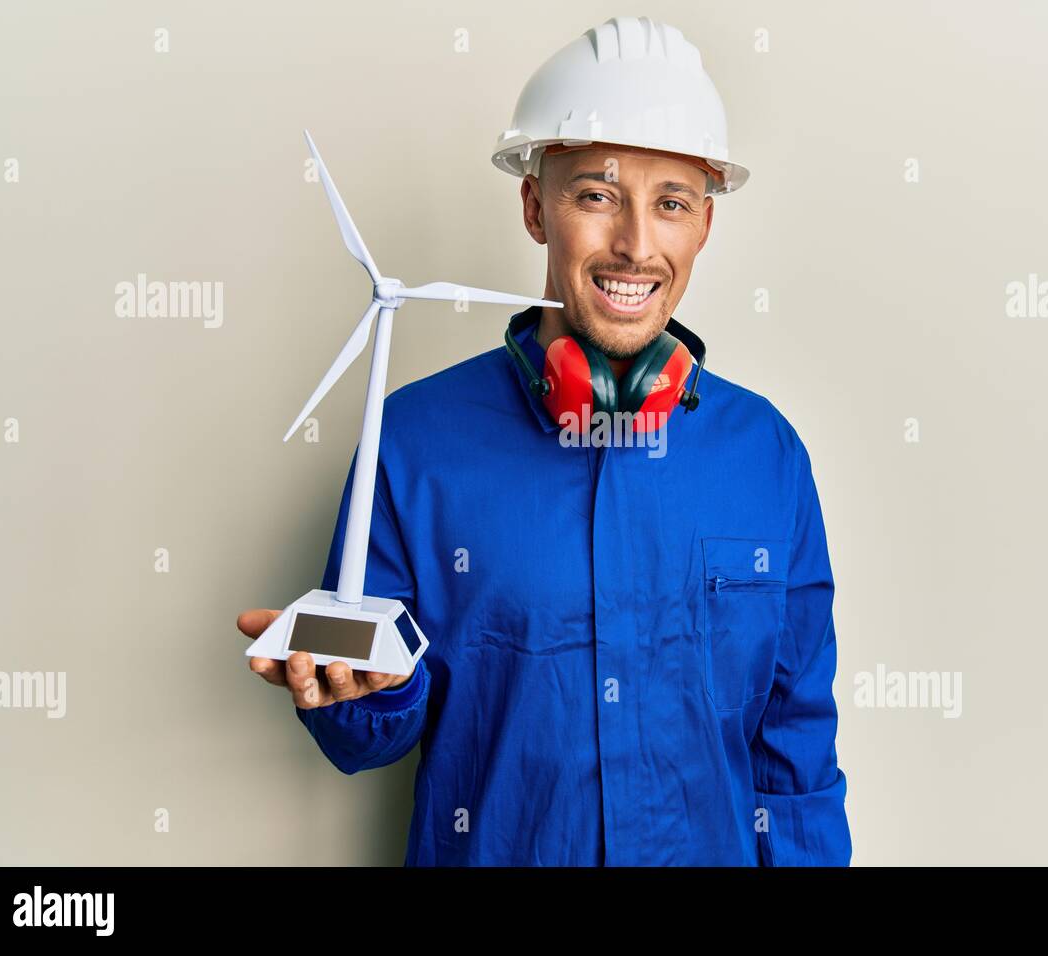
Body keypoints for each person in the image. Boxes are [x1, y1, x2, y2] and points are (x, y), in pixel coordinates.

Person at [237, 15, 850, 866]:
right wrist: (357, 688)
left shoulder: (767, 457)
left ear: (703, 226)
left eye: (671, 203)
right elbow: (364, 736)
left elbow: (797, 760)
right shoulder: (412, 443)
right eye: (596, 195)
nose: (636, 244)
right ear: (536, 207)